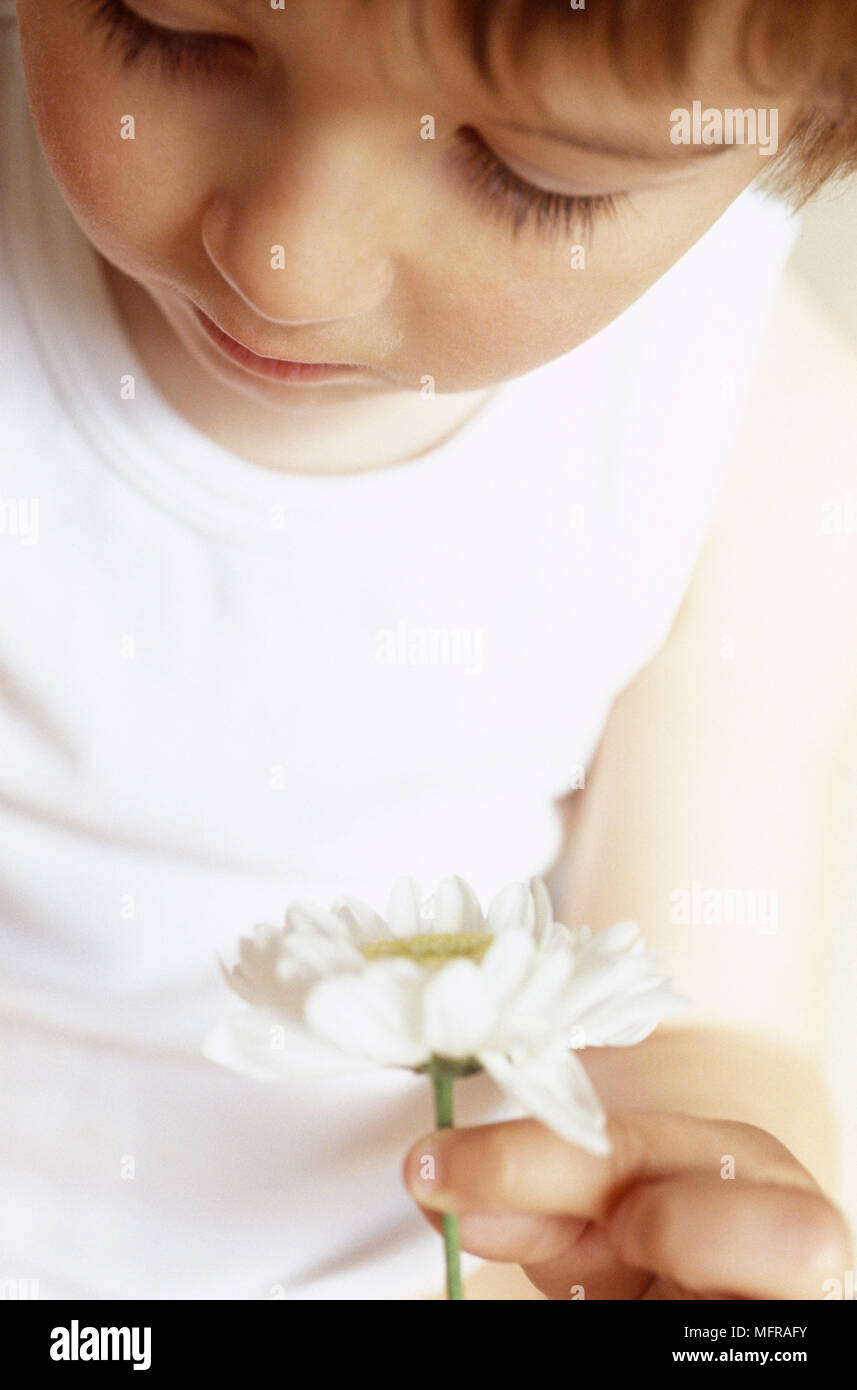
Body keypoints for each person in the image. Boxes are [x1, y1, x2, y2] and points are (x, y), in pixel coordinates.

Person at [1, 0, 854, 1299]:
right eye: (166, 31)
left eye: (533, 174)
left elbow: (692, 1029)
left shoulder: (739, 429)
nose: (285, 259)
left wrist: (694, 1227)